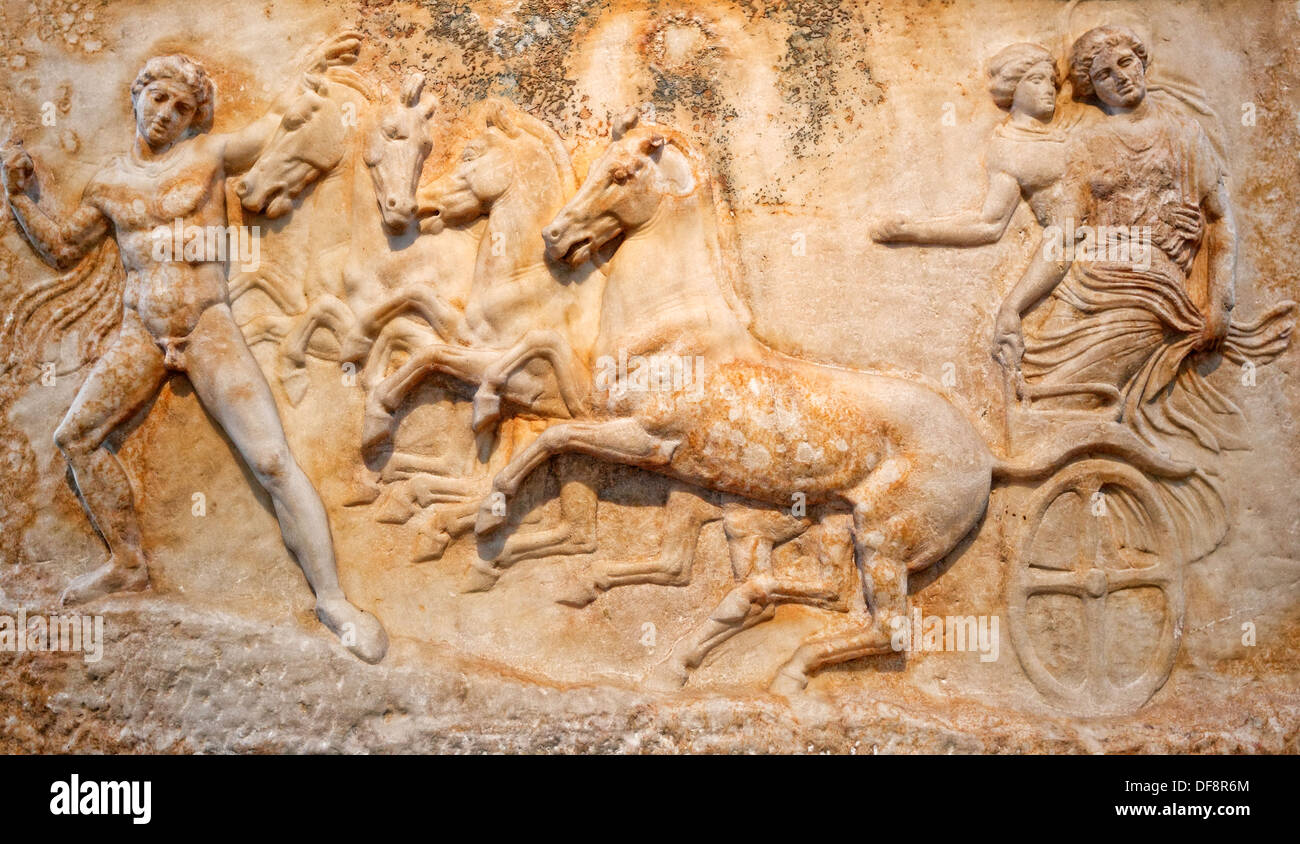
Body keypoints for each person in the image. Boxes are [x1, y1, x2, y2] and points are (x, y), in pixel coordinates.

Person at [1, 38, 388, 662]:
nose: (166, 115)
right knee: (76, 438)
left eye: (181, 108)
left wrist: (311, 77)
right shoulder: (108, 183)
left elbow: (280, 126)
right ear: (137, 97)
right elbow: (65, 249)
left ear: (193, 118)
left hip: (207, 325)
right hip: (140, 331)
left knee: (270, 459)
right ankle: (126, 562)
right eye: (158, 99)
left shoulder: (209, 155)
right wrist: (20, 196)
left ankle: (334, 601)